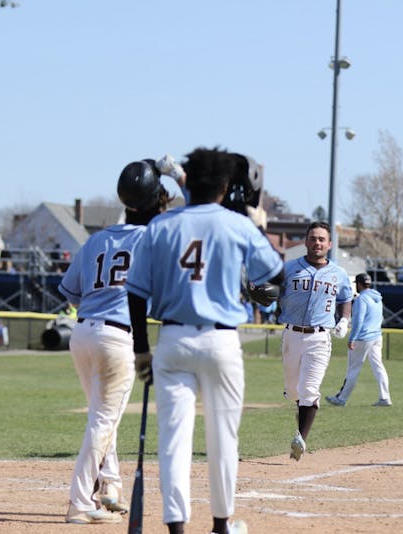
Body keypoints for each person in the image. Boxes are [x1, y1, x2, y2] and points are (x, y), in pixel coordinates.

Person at [126, 147, 283, 534]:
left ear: (187, 183)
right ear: (224, 187)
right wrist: (253, 230)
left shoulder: (160, 226)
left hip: (173, 338)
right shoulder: (237, 224)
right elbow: (276, 274)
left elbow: (136, 293)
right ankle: (220, 524)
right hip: (221, 341)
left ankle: (176, 527)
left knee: (174, 438)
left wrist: (141, 349)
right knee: (223, 436)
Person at [58, 158, 172, 525]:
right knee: (104, 420)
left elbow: (70, 292)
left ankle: (111, 486)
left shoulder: (96, 239)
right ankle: (80, 503)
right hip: (118, 337)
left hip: (82, 333)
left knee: (103, 415)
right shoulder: (151, 239)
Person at [278, 221, 353, 461]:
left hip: (319, 337)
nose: (317, 243)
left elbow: (346, 297)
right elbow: (271, 291)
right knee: (294, 391)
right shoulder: (289, 268)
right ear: (305, 242)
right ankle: (300, 413)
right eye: (313, 238)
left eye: (322, 239)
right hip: (291, 334)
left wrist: (345, 319)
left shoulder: (338, 274)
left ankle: (300, 439)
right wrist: (262, 294)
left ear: (329, 244)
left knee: (309, 389)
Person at [326, 273, 391, 407]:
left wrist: (352, 338)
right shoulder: (377, 298)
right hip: (376, 336)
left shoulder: (361, 299)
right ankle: (385, 397)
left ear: (359, 284)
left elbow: (358, 320)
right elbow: (381, 318)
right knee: (378, 367)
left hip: (363, 337)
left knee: (353, 369)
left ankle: (341, 398)